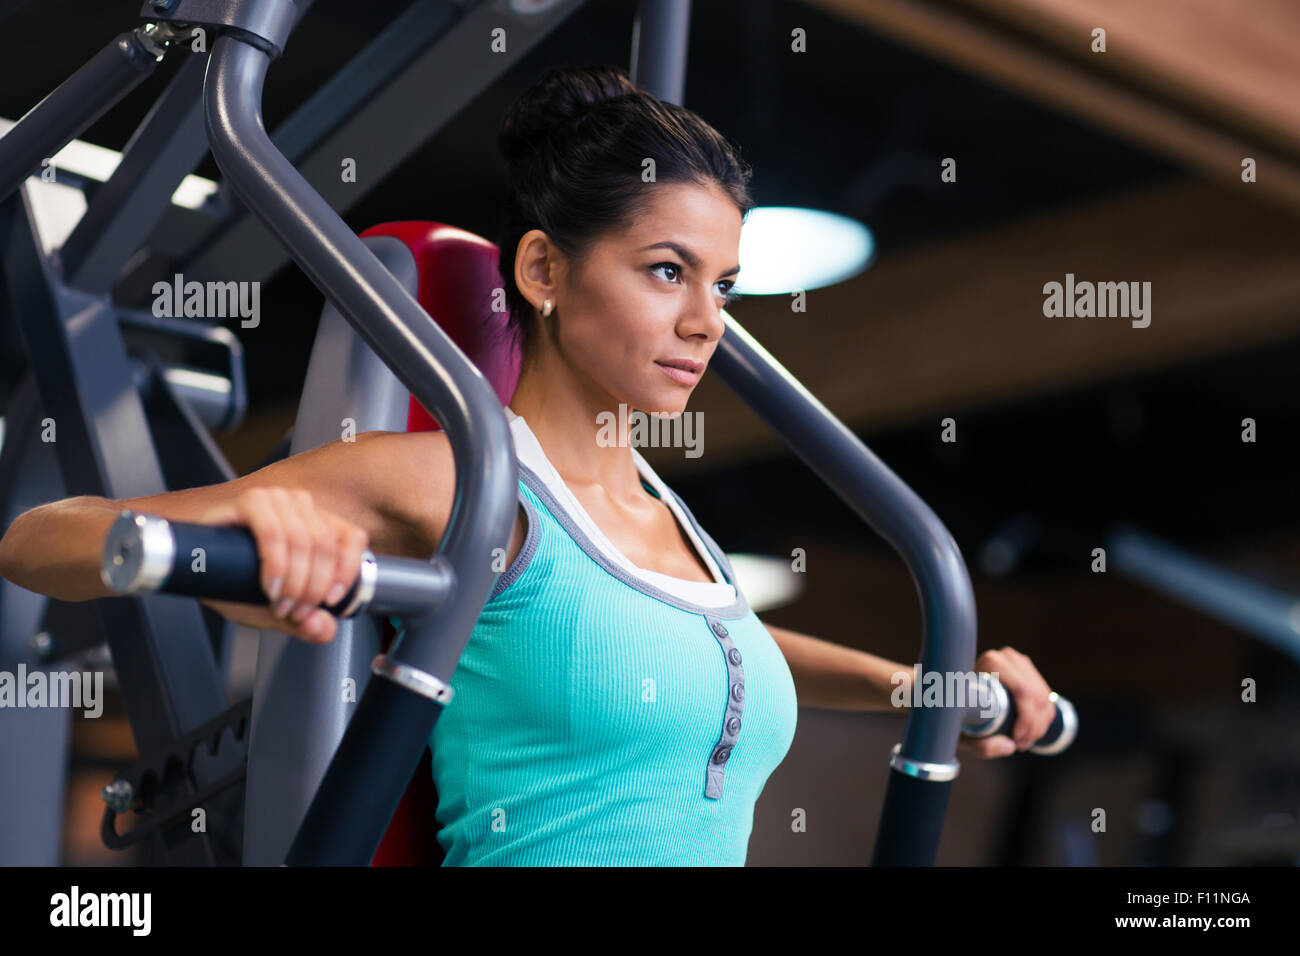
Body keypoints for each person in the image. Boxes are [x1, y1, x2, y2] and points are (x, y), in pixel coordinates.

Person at [0, 63, 1057, 866]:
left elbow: (706, 639)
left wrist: (926, 690)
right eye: (664, 271)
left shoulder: (665, 518)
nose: (705, 323)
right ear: (544, 270)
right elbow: (40, 540)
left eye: (724, 284)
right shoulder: (457, 485)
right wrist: (268, 531)